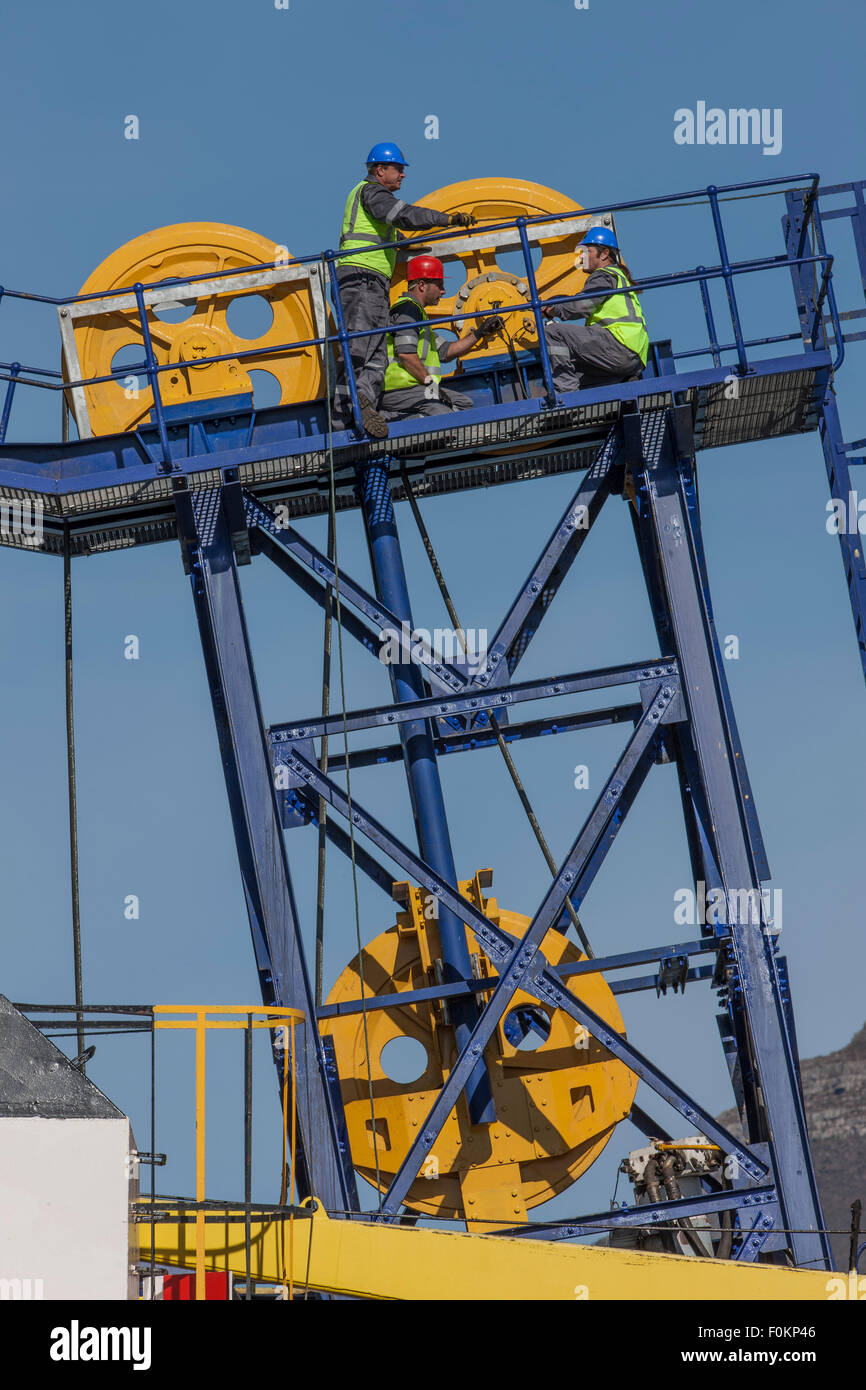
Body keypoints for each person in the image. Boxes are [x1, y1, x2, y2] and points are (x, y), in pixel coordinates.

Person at [333, 143, 476, 436]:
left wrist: (410, 244)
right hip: (362, 278)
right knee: (358, 351)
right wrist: (449, 219)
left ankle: (364, 410)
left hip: (370, 281)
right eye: (398, 169)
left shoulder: (369, 200)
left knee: (375, 356)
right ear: (379, 169)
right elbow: (404, 215)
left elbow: (396, 233)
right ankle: (344, 418)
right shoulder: (373, 193)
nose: (402, 175)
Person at [378, 255, 504, 421]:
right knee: (445, 417)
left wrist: (480, 332)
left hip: (414, 388)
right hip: (400, 389)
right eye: (439, 285)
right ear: (422, 286)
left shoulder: (419, 315)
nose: (443, 291)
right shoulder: (407, 310)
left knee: (464, 404)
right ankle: (390, 418)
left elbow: (446, 352)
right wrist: (431, 385)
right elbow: (406, 355)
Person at [541, 227, 648, 392]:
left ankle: (568, 396)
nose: (581, 256)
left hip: (617, 345)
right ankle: (621, 380)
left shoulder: (604, 275)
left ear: (604, 253)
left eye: (586, 251)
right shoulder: (619, 277)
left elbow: (584, 303)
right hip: (634, 357)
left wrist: (555, 309)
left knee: (553, 332)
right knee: (573, 372)